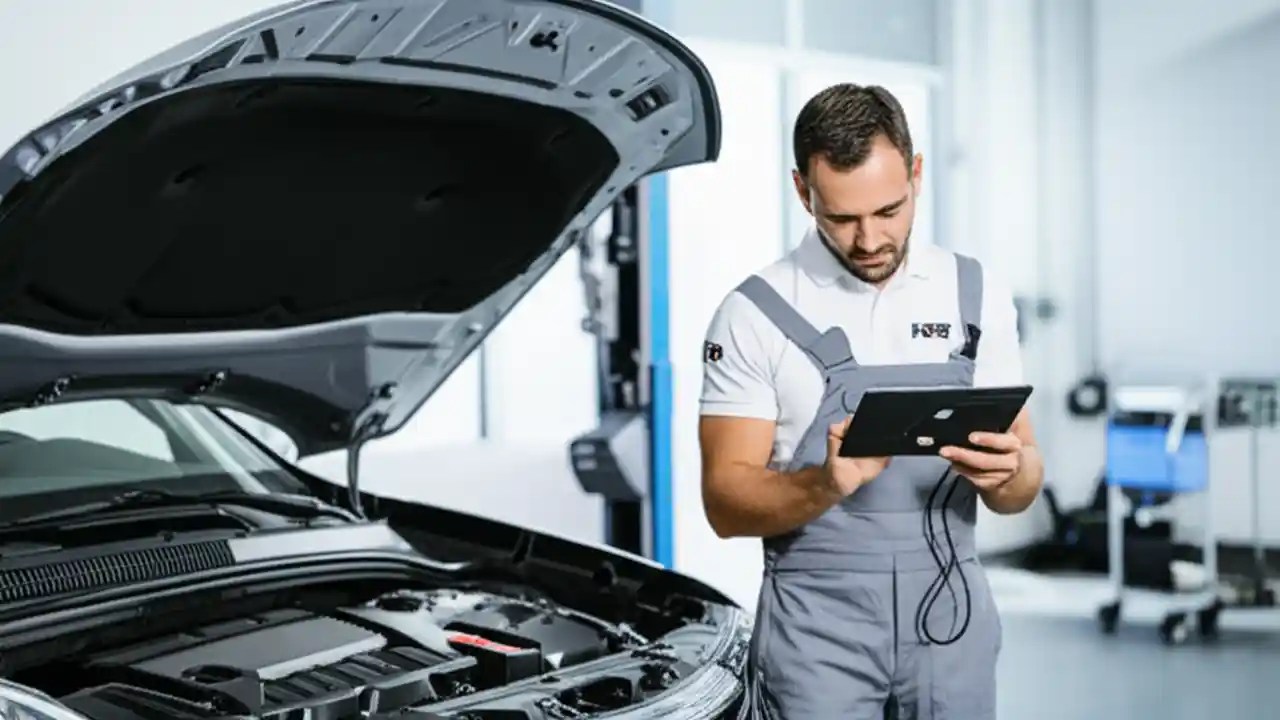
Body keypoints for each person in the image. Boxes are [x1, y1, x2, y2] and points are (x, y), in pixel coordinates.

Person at [697, 83, 1044, 719]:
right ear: (803, 192)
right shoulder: (753, 314)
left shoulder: (975, 293)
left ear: (915, 173)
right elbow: (723, 502)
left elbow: (1023, 480)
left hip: (953, 615)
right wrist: (823, 485)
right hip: (816, 632)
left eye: (889, 210)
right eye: (842, 218)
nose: (869, 240)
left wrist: (1010, 475)